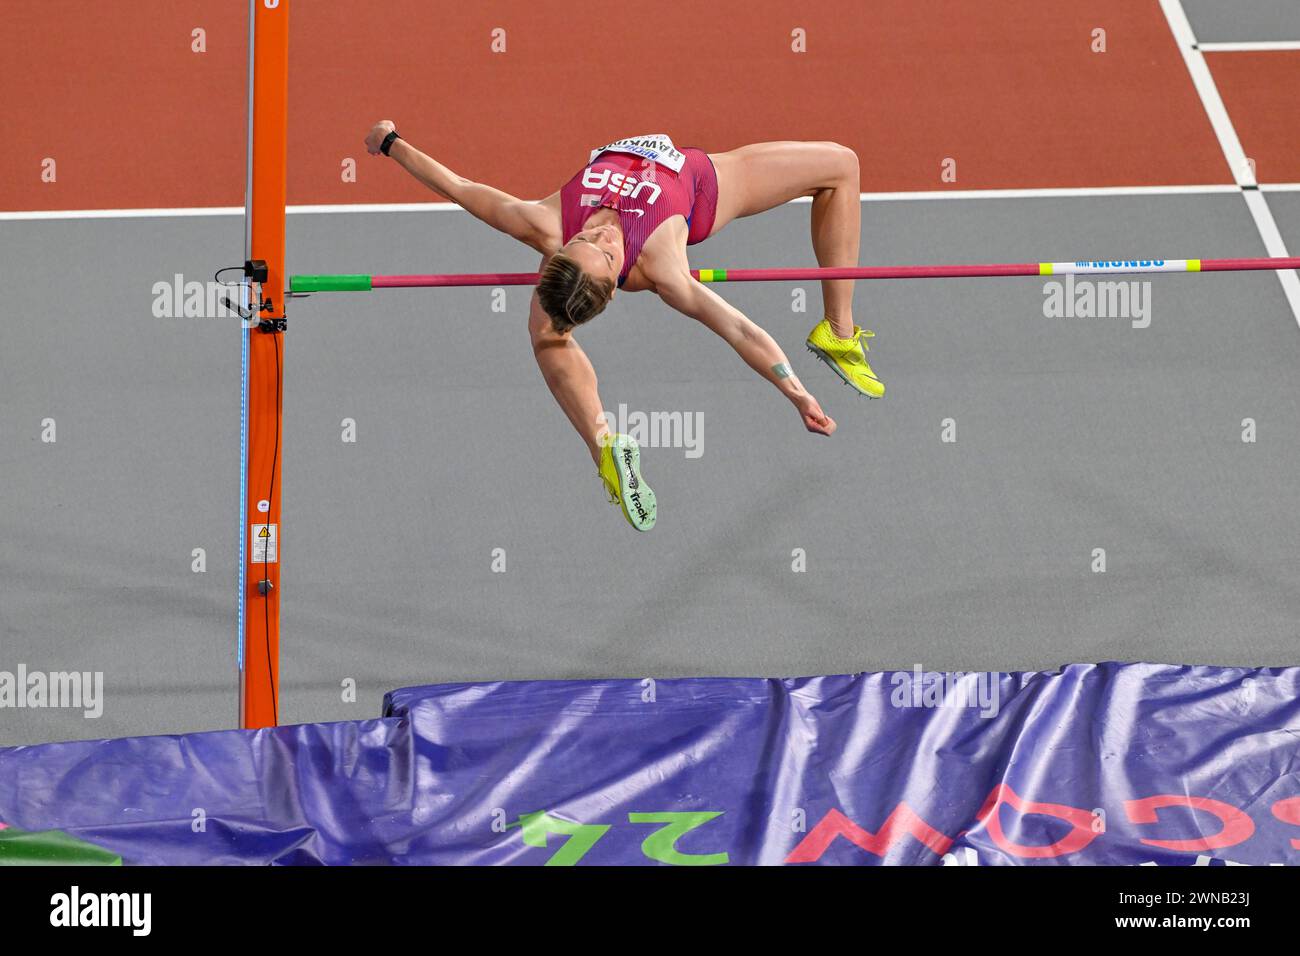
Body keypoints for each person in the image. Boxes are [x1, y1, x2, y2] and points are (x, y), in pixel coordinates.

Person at [365, 125, 884, 531]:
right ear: (617, 283)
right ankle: (606, 444)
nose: (602, 231)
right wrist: (796, 393)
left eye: (588, 239)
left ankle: (605, 449)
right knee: (842, 165)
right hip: (703, 186)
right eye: (605, 250)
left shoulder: (547, 225)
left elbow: (457, 187)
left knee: (545, 321)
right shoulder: (662, 267)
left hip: (640, 197)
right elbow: (740, 331)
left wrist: (390, 142)